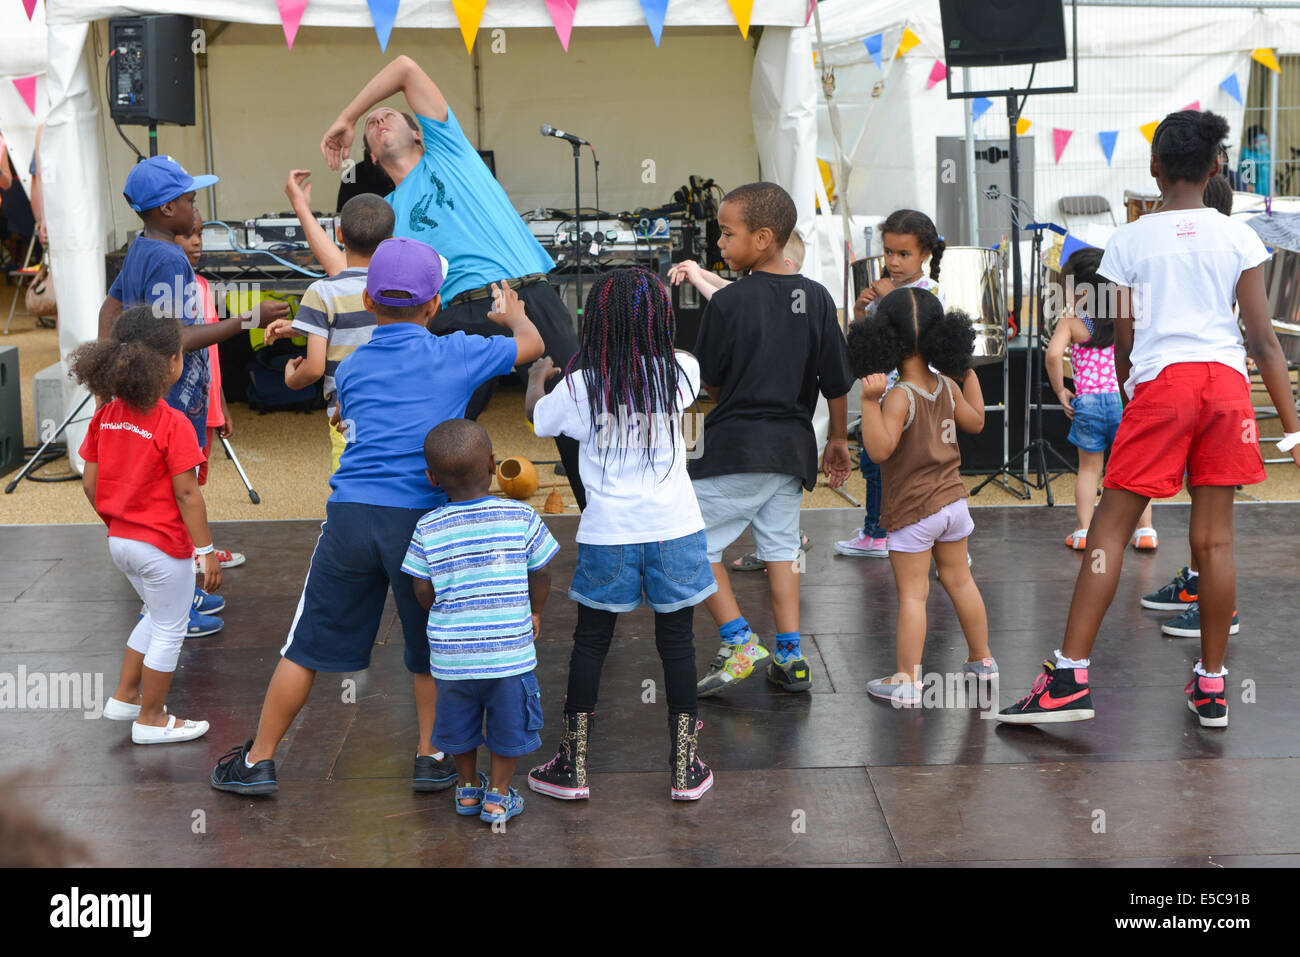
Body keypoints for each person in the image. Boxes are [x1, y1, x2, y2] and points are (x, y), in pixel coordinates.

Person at [998, 109, 1300, 729]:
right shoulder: (1241, 236)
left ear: (1155, 169)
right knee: (1214, 542)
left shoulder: (1127, 241)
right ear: (1219, 166)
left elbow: (1125, 340)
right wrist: (1294, 431)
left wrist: (1140, 395)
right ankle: (1212, 686)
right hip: (1225, 387)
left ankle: (1067, 680)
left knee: (1109, 532)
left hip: (1164, 384)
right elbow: (1265, 342)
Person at [210, 237, 544, 795]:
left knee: (306, 644)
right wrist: (515, 314)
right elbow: (531, 346)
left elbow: (348, 418)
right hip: (424, 522)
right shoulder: (457, 351)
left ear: (367, 296)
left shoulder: (354, 365)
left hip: (351, 516)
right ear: (434, 304)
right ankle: (432, 755)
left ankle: (258, 761)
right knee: (431, 644)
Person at [320, 55, 585, 508]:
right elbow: (356, 276)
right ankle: (419, 529)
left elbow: (404, 67)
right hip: (459, 309)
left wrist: (346, 117)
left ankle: (605, 532)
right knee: (432, 426)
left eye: (388, 115)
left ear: (418, 132)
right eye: (370, 125)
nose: (378, 118)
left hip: (527, 293)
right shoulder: (387, 214)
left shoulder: (449, 149)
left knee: (579, 417)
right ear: (370, 156)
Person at [525, 268, 718, 802]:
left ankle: (574, 765)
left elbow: (540, 420)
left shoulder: (582, 385)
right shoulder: (682, 371)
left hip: (608, 533)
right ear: (662, 319)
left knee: (591, 642)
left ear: (597, 322)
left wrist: (539, 377)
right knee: (677, 643)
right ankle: (684, 767)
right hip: (675, 529)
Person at [689, 182, 854, 697]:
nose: (718, 242)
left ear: (763, 238)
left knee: (689, 545)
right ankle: (791, 655)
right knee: (781, 551)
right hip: (791, 451)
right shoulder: (820, 298)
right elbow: (836, 381)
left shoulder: (729, 303)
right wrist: (839, 442)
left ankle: (739, 640)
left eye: (726, 232)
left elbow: (709, 380)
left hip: (736, 448)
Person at [98, 156, 287, 570]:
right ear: (168, 209)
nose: (196, 208)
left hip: (150, 384)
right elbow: (179, 334)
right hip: (173, 391)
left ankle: (185, 552)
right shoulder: (167, 259)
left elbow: (109, 307)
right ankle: (185, 565)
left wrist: (108, 365)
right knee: (178, 484)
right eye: (191, 200)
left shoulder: (140, 248)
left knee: (163, 481)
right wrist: (251, 318)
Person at [70, 307, 219, 745]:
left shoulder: (105, 416)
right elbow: (187, 494)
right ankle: (152, 718)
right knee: (172, 627)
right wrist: (206, 550)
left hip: (121, 542)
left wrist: (117, 521)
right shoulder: (172, 423)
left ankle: (126, 695)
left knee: (156, 615)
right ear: (171, 363)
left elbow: (90, 482)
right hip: (160, 548)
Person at [403, 419, 559, 824]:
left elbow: (421, 590)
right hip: (509, 655)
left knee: (458, 725)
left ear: (431, 477)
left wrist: (446, 614)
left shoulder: (427, 526)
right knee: (509, 725)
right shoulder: (519, 515)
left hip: (453, 660)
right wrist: (534, 610)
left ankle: (468, 790)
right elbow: (542, 571)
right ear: (494, 464)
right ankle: (499, 796)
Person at [847, 289, 995, 704]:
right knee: (960, 581)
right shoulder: (947, 385)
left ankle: (908, 681)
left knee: (914, 595)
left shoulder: (897, 397)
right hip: (954, 504)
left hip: (914, 512)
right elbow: (978, 421)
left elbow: (878, 451)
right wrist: (968, 371)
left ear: (884, 338)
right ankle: (982, 661)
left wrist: (868, 401)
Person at [1138, 165, 1242, 640]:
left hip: (1207, 388)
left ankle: (1218, 607)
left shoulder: (1224, 252)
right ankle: (1198, 586)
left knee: (1213, 522)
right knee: (1204, 517)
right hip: (1198, 390)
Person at [668, 233, 813, 573]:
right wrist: (699, 272)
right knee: (772, 508)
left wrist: (699, 278)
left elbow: (730, 301)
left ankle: (737, 618)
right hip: (784, 435)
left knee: (700, 532)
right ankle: (784, 549)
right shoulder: (790, 294)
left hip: (756, 424)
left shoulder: (787, 301)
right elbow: (734, 289)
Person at [836, 209, 947, 559]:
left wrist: (886, 299)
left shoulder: (929, 292)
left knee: (901, 463)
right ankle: (879, 530)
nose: (894, 262)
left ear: (925, 254)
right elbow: (868, 341)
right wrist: (859, 311)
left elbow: (922, 341)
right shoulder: (882, 289)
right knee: (873, 463)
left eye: (904, 254)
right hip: (880, 391)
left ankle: (885, 532)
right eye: (888, 252)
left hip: (911, 396)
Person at [263, 191, 396, 471]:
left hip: (347, 414)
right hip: (395, 405)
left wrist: (291, 379)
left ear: (339, 235)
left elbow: (313, 369)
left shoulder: (322, 292)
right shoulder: (399, 287)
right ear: (390, 241)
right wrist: (302, 327)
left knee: (350, 481)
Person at [1047, 248, 1158, 552]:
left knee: (1089, 470)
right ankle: (1145, 530)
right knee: (1134, 467)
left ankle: (1084, 531)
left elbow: (1054, 355)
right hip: (1124, 401)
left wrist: (1060, 390)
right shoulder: (1126, 316)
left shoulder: (1072, 321)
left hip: (1089, 403)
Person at [172, 212, 247, 617]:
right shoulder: (173, 291)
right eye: (187, 235)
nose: (196, 242)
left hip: (204, 404)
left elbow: (210, 356)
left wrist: (220, 404)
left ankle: (193, 550)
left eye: (199, 235)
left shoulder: (203, 288)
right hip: (181, 407)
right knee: (182, 489)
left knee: (196, 482)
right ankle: (189, 568)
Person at [1240, 124, 1271, 196]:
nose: (1263, 143)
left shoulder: (1267, 154)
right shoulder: (1246, 155)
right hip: (1252, 195)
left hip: (1267, 196)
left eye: (1264, 140)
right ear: (1251, 143)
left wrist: (1273, 190)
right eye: (1259, 141)